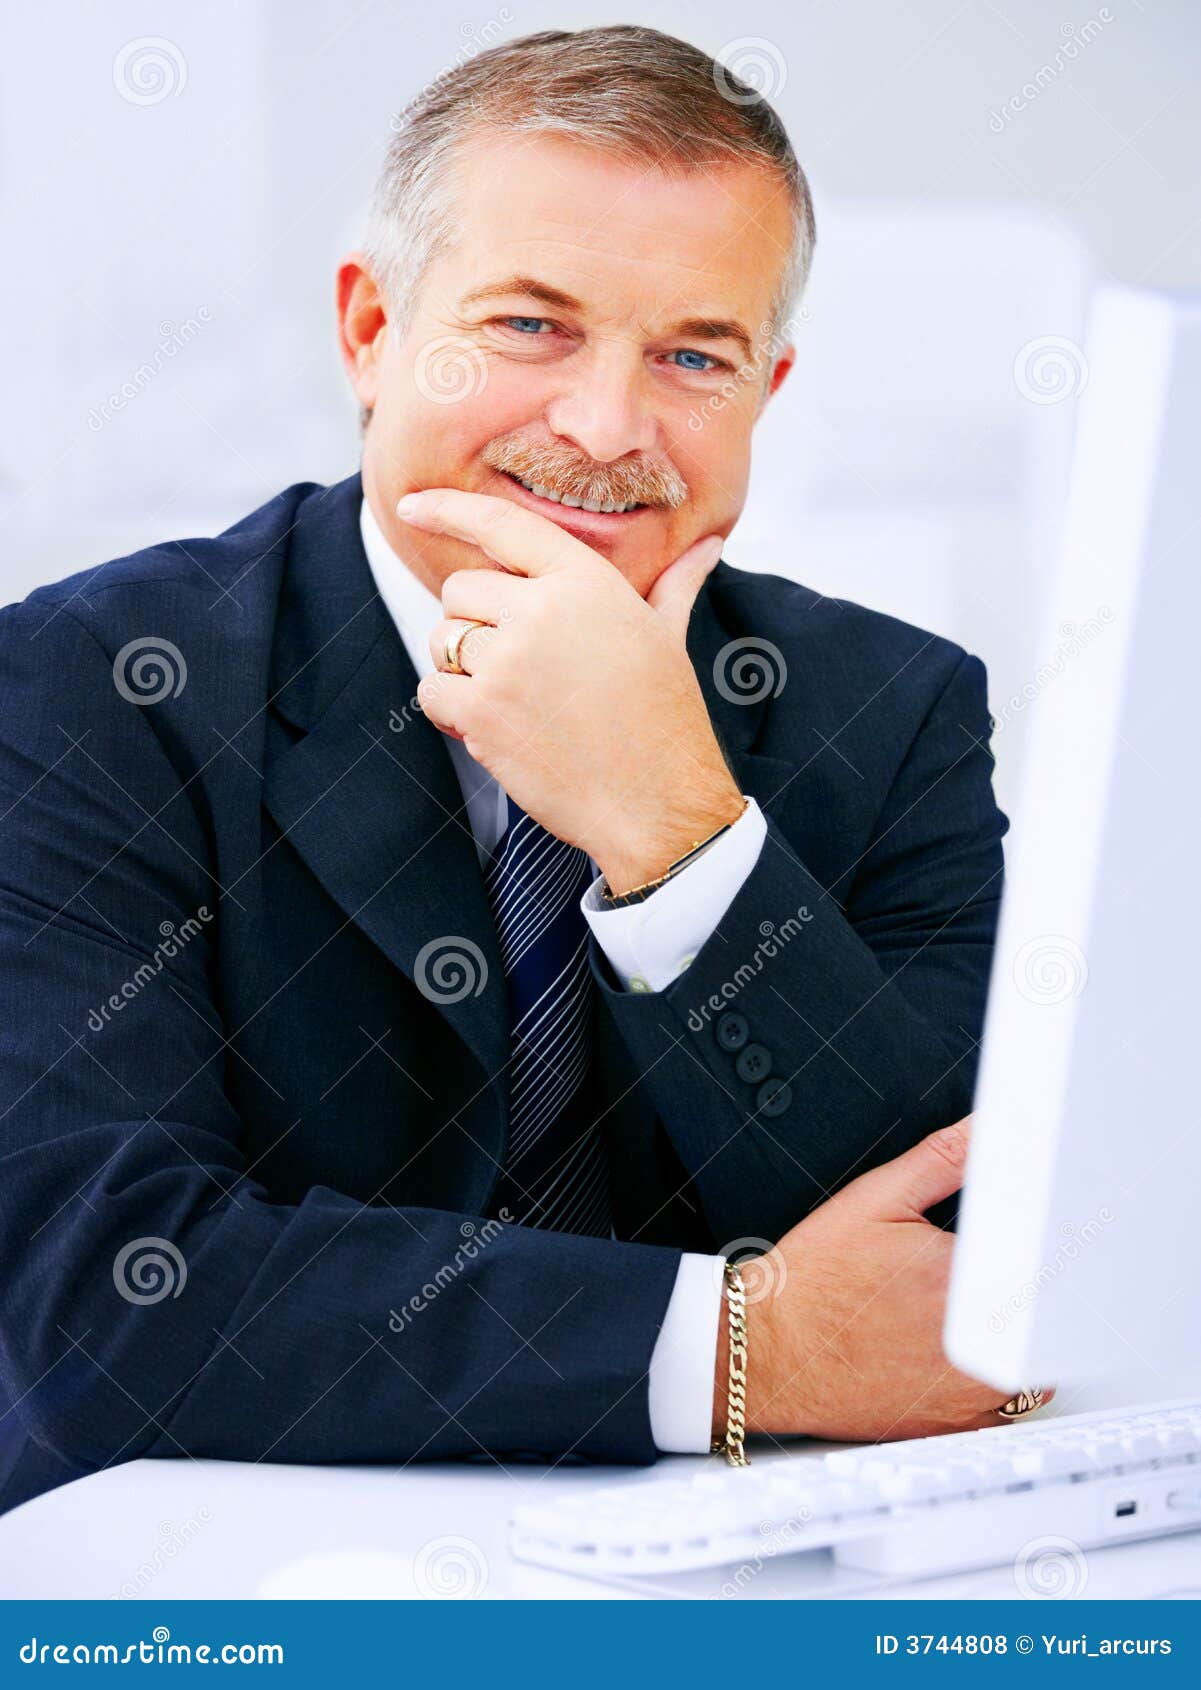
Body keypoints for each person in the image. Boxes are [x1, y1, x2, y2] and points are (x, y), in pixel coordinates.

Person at [0, 25, 1013, 1517]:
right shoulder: (87, 690)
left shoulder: (898, 712)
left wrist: (676, 832)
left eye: (691, 356)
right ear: (368, 328)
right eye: (531, 326)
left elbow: (971, 1285)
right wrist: (742, 1348)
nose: (605, 428)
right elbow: (105, 1306)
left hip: (761, 1589)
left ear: (765, 389)